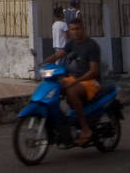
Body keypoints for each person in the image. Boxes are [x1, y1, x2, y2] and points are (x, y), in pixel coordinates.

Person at [42, 16, 101, 145]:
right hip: (74, 79)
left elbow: (93, 71)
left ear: (83, 29)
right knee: (52, 87)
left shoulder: (92, 45)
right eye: (73, 29)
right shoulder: (72, 43)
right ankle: (60, 124)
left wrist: (76, 81)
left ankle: (85, 128)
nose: (75, 32)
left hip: (92, 82)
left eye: (78, 29)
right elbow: (58, 55)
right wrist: (42, 64)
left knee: (71, 91)